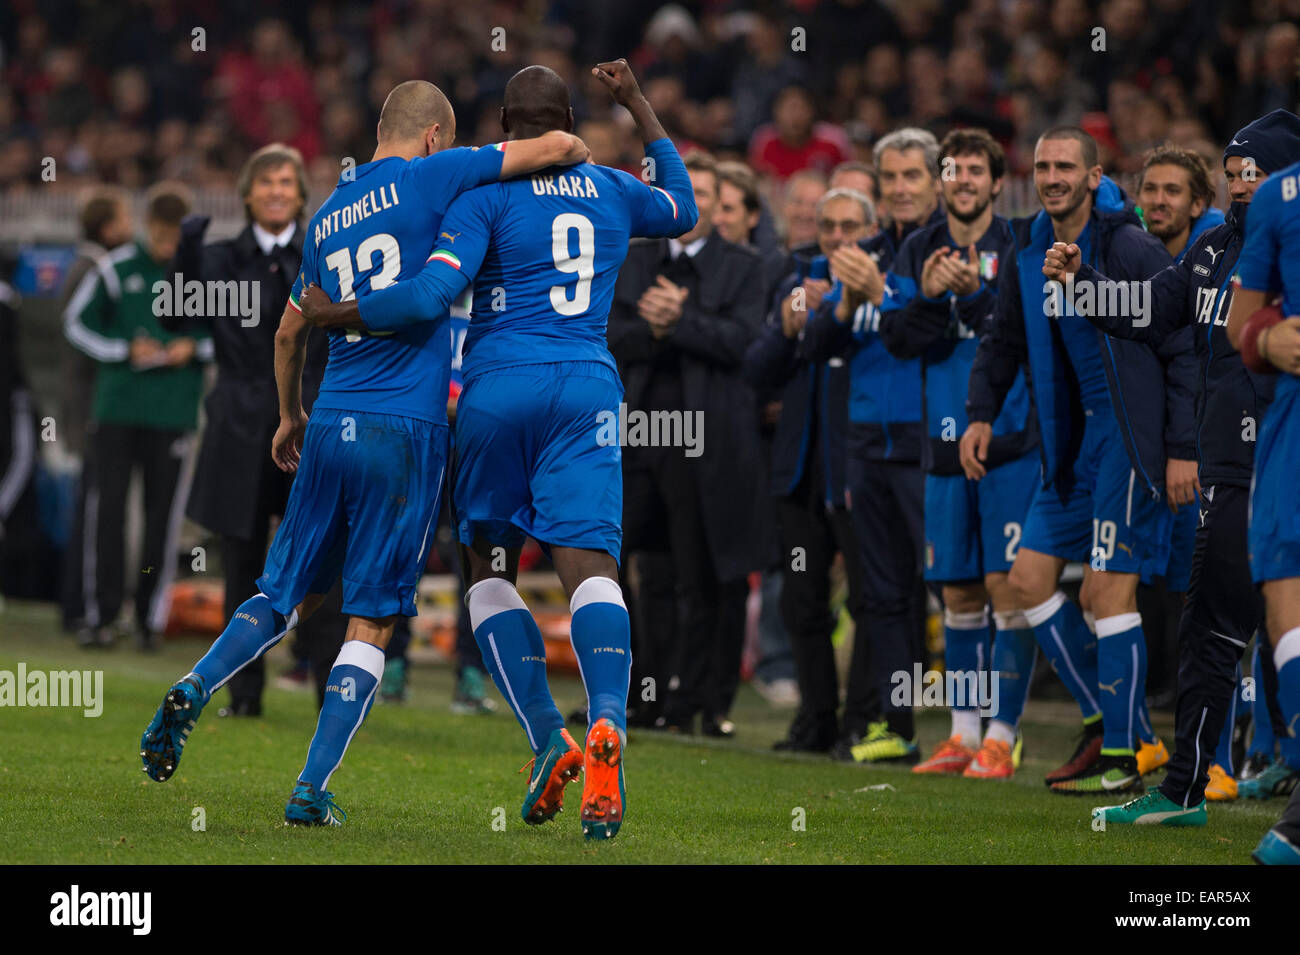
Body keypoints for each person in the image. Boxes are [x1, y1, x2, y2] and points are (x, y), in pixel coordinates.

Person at [137, 78, 588, 827]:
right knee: (371, 617)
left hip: (329, 423)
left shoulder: (325, 214)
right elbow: (563, 147)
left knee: (287, 589)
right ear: (436, 136)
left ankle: (195, 682)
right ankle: (311, 786)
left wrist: (290, 416)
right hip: (405, 429)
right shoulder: (437, 172)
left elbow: (289, 333)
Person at [298, 61, 698, 841]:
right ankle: (610, 717)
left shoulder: (480, 194)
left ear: (504, 128)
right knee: (592, 566)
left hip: (494, 390)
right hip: (586, 384)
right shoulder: (614, 187)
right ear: (569, 118)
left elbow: (423, 297)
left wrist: (332, 312)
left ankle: (550, 737)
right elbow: (682, 208)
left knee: (488, 571)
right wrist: (642, 105)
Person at [1059, 113, 1300, 827]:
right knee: (1219, 630)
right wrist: (1083, 283)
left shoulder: (1283, 249)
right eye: (1232, 171)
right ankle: (1192, 787)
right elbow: (1147, 311)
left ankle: (1208, 782)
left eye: (1252, 171)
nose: (1238, 183)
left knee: (1252, 631)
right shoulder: (1214, 250)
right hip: (1234, 469)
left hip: (1273, 462)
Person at [963, 126, 1192, 795]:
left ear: (1094, 177)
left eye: (1067, 166)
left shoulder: (1127, 244)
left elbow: (1178, 344)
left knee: (1107, 590)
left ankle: (1125, 756)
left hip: (1125, 433)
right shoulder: (1028, 246)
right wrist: (980, 410)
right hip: (1067, 440)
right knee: (1028, 579)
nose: (1052, 176)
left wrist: (1180, 447)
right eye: (1042, 166)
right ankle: (1116, 723)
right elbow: (1003, 336)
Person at [878, 128, 1039, 778]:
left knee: (1009, 589)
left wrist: (973, 293)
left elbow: (1020, 337)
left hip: (1009, 441)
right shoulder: (917, 246)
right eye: (954, 169)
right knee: (959, 594)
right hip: (942, 446)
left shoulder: (1020, 243)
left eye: (977, 170)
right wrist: (929, 293)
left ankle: (1004, 733)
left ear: (998, 183)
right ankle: (964, 733)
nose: (964, 180)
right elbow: (895, 337)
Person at [167, 142, 343, 714]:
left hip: (312, 420)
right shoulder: (216, 258)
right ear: (247, 194)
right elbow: (175, 317)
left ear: (301, 196)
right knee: (242, 561)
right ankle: (242, 696)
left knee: (318, 558)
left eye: (286, 183)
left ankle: (328, 693)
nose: (275, 192)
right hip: (240, 425)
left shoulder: (322, 251)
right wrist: (185, 254)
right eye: (265, 182)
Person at [609, 151, 769, 739]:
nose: (692, 203)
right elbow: (607, 333)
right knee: (633, 571)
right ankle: (638, 695)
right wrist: (653, 329)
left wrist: (682, 320)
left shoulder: (746, 267)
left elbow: (746, 345)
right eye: (685, 191)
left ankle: (694, 700)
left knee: (700, 578)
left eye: (704, 192)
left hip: (709, 447)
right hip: (635, 439)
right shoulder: (635, 258)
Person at [802, 128, 946, 763]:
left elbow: (928, 335)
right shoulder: (868, 253)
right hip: (868, 445)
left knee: (956, 586)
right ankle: (899, 728)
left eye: (913, 176)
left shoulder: (951, 251)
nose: (902, 189)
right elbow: (814, 348)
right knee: (880, 594)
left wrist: (879, 294)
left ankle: (993, 730)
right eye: (891, 179)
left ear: (937, 182)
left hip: (933, 439)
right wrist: (841, 305)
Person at [743, 185, 878, 752]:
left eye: (851, 226)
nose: (840, 238)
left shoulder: (883, 280)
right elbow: (757, 369)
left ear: (870, 230)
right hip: (801, 467)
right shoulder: (797, 281)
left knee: (872, 599)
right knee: (802, 599)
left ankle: (865, 721)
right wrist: (789, 326)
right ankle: (816, 718)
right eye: (830, 227)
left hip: (861, 468)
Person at [63, 183, 212, 651]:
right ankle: (100, 615)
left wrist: (195, 348)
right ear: (150, 228)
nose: (169, 249)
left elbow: (231, 335)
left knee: (161, 522)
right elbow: (75, 323)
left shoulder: (204, 277)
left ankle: (149, 616)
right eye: (164, 238)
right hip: (117, 409)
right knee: (107, 514)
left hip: (173, 414)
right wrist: (123, 349)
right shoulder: (116, 268)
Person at [1221, 130, 1300, 864]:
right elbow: (1239, 324)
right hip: (1292, 424)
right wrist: (1270, 341)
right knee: (1283, 603)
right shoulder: (1281, 195)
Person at [58, 187, 133, 636]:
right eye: (123, 219)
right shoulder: (92, 270)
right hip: (90, 408)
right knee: (91, 512)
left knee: (93, 508)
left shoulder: (85, 266)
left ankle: (84, 604)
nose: (129, 228)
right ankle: (82, 607)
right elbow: (80, 343)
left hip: (87, 407)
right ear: (107, 227)